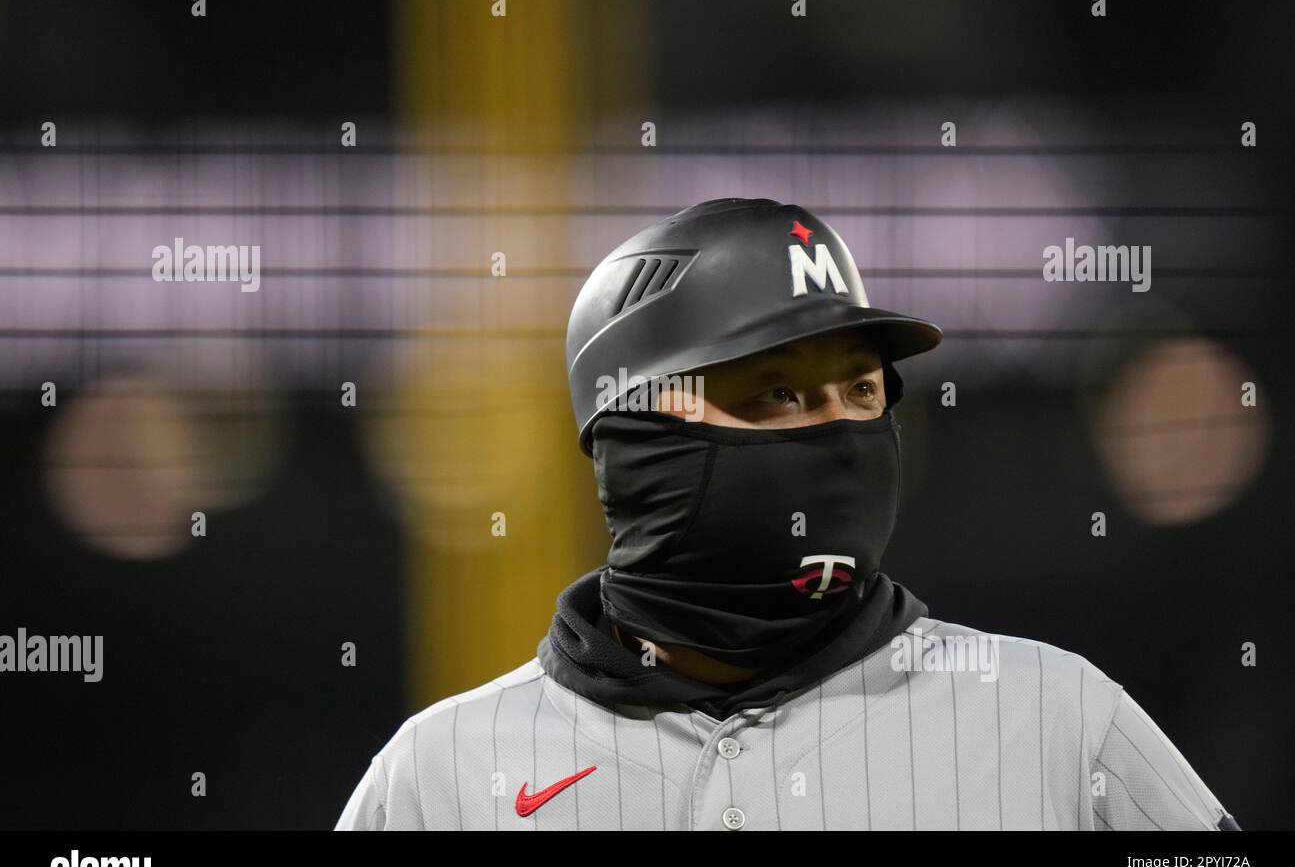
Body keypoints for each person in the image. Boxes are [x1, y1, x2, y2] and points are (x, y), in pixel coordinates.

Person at [335, 198, 1239, 830]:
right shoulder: (445, 773)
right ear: (634, 437)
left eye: (859, 389)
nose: (839, 431)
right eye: (775, 393)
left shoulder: (1053, 718)